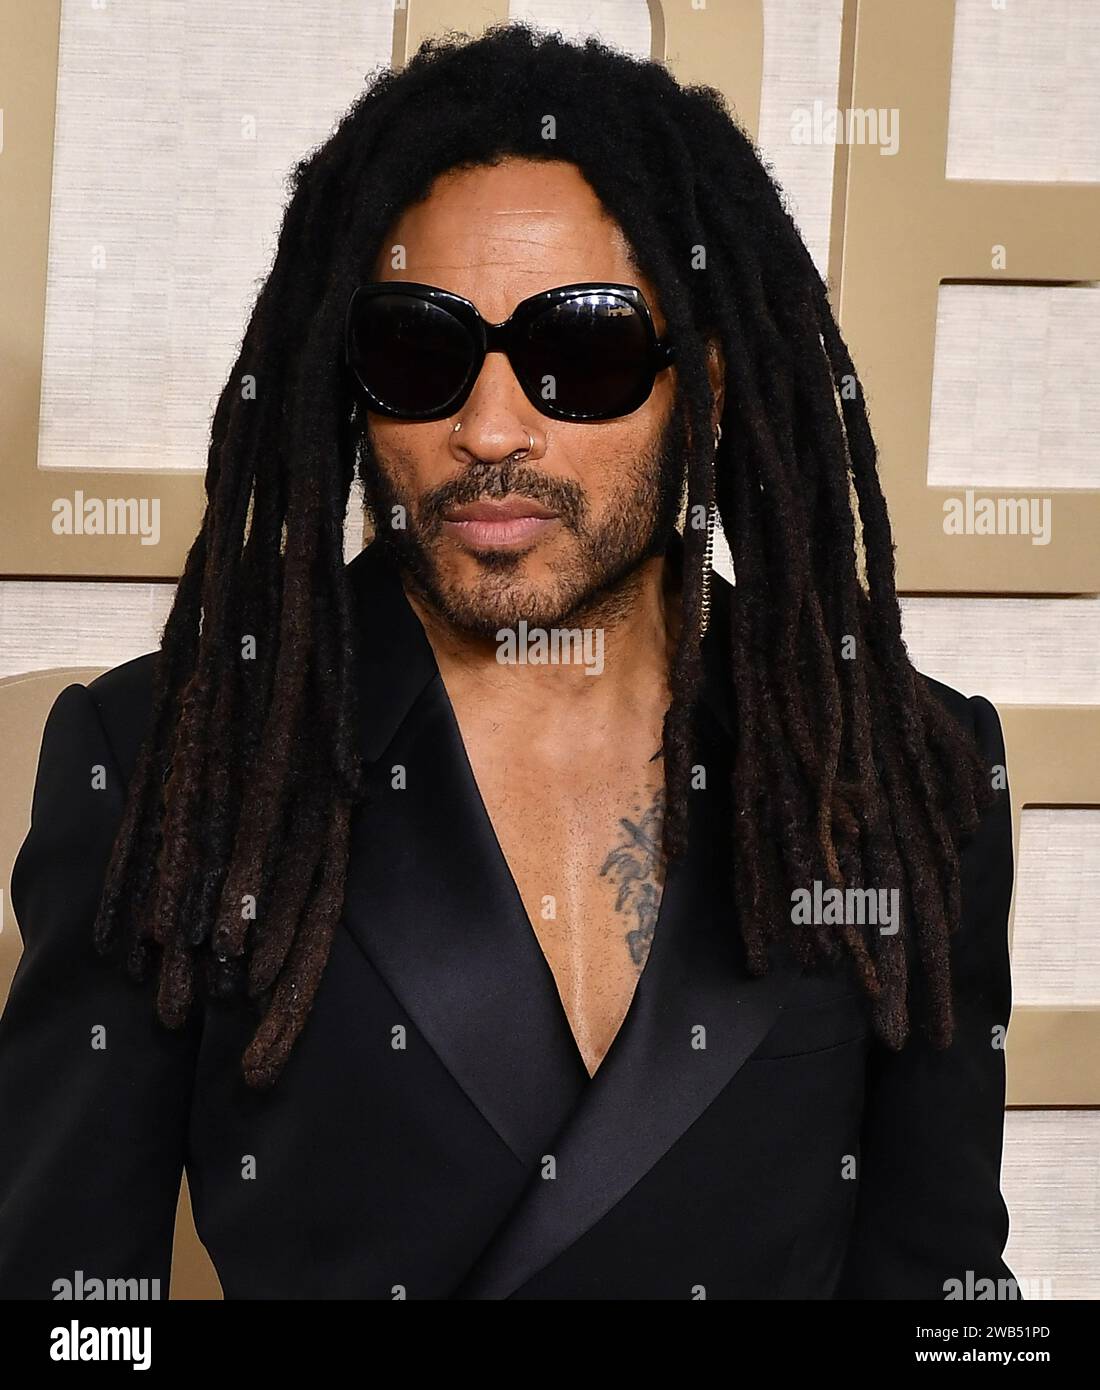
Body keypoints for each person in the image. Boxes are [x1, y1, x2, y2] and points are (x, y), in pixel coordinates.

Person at [0, 23, 1015, 1300]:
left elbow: (939, 1293)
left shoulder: (898, 772)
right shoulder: (167, 767)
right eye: (419, 353)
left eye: (577, 353)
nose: (487, 428)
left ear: (697, 380)